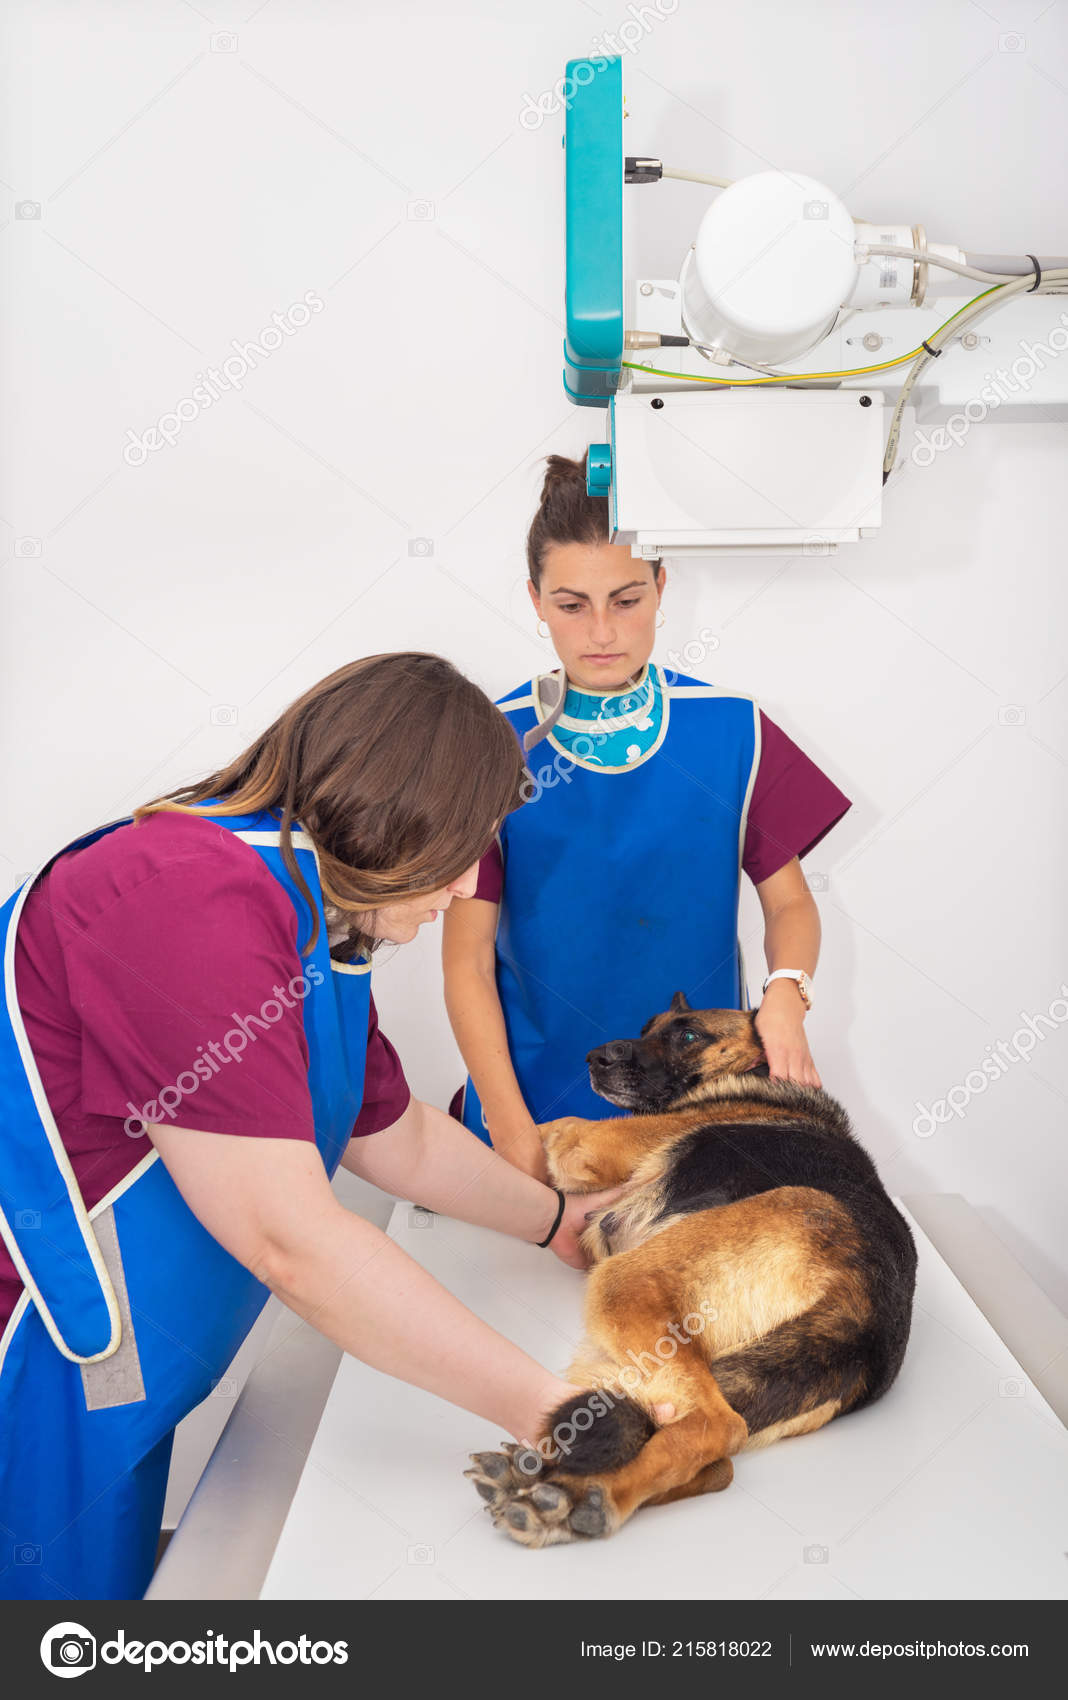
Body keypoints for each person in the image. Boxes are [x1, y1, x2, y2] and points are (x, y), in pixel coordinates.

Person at [0, 652, 650, 1603]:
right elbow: (288, 1238)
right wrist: (556, 1414)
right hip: (33, 1353)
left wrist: (560, 1219)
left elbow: (389, 1133)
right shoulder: (189, 902)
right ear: (398, 815)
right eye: (462, 847)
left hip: (118, 1379)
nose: (471, 884)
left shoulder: (309, 921)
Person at [443, 453, 853, 1181]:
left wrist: (786, 995)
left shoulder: (734, 731)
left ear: (661, 589)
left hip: (700, 1117)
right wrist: (512, 1134)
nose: (602, 631)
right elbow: (467, 963)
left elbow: (788, 901)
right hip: (535, 1109)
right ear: (536, 601)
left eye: (626, 599)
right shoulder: (490, 746)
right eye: (571, 605)